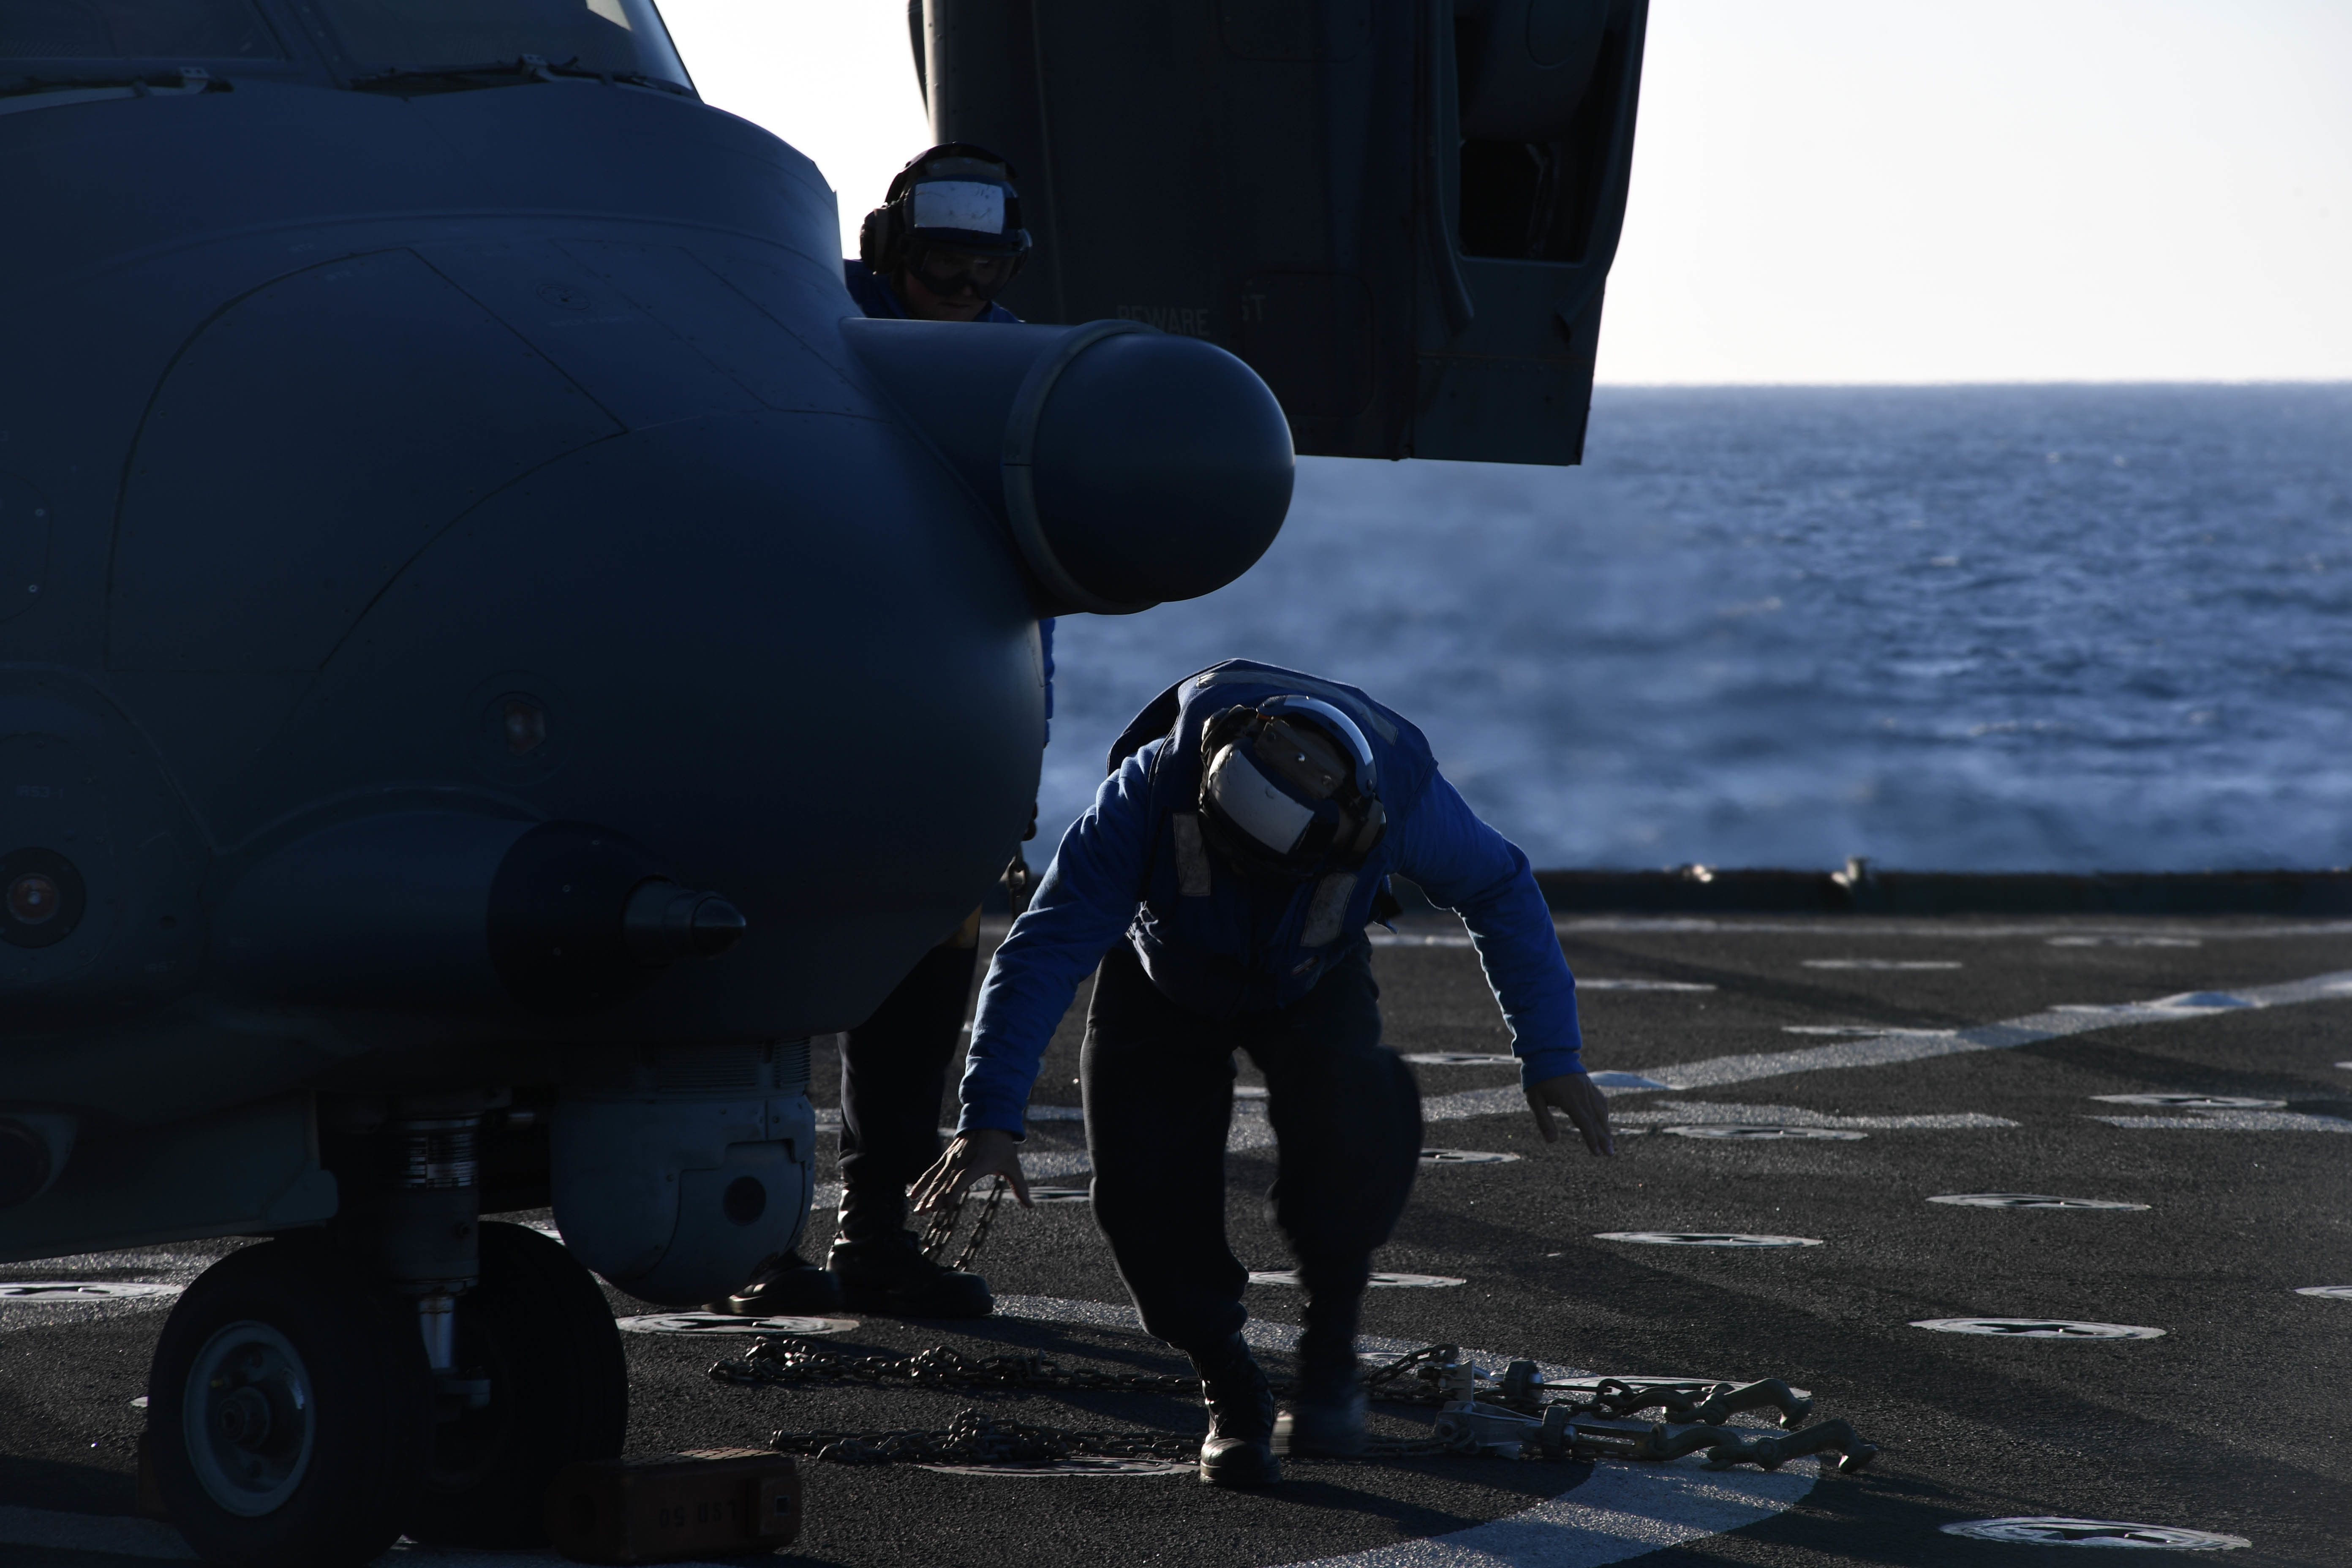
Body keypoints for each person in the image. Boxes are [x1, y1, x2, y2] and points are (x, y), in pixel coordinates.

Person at [911, 661, 1613, 1487]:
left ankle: (1331, 1351)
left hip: (1312, 975)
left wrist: (1551, 1054)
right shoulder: (1148, 792)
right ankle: (1229, 1381)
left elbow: (1501, 885)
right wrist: (991, 1115)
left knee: (1354, 1128)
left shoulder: (1407, 805)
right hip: (1163, 972)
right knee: (1143, 1202)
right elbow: (1044, 947)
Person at [714, 145, 1043, 1320]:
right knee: (755, 989)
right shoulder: (808, 329)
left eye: (985, 268)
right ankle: (748, 1235)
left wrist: (1016, 763)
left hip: (939, 733)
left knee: (917, 1001)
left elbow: (1028, 596)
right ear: (893, 250)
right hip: (791, 723)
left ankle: (877, 1236)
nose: (963, 288)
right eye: (943, 264)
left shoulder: (1013, 366)